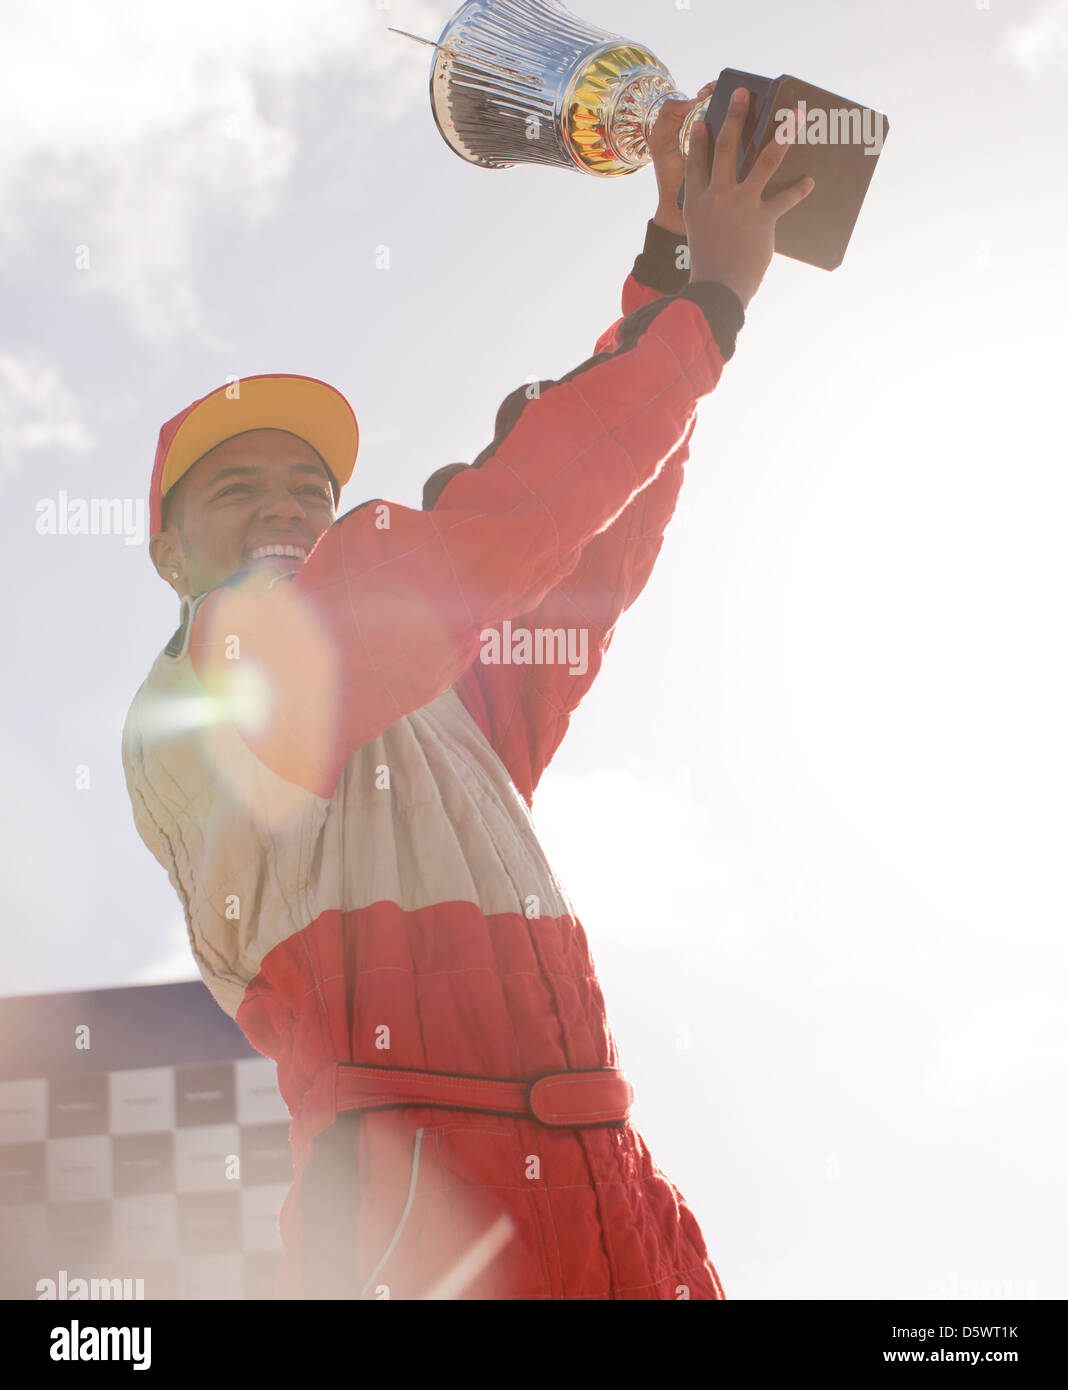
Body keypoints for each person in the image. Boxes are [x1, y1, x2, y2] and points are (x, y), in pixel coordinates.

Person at [122, 86, 813, 1300]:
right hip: (421, 1214)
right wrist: (708, 311)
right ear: (173, 557)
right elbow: (484, 538)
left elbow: (579, 543)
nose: (286, 503)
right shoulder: (209, 688)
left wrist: (670, 269)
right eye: (237, 490)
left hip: (615, 1195)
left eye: (307, 484)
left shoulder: (432, 701)